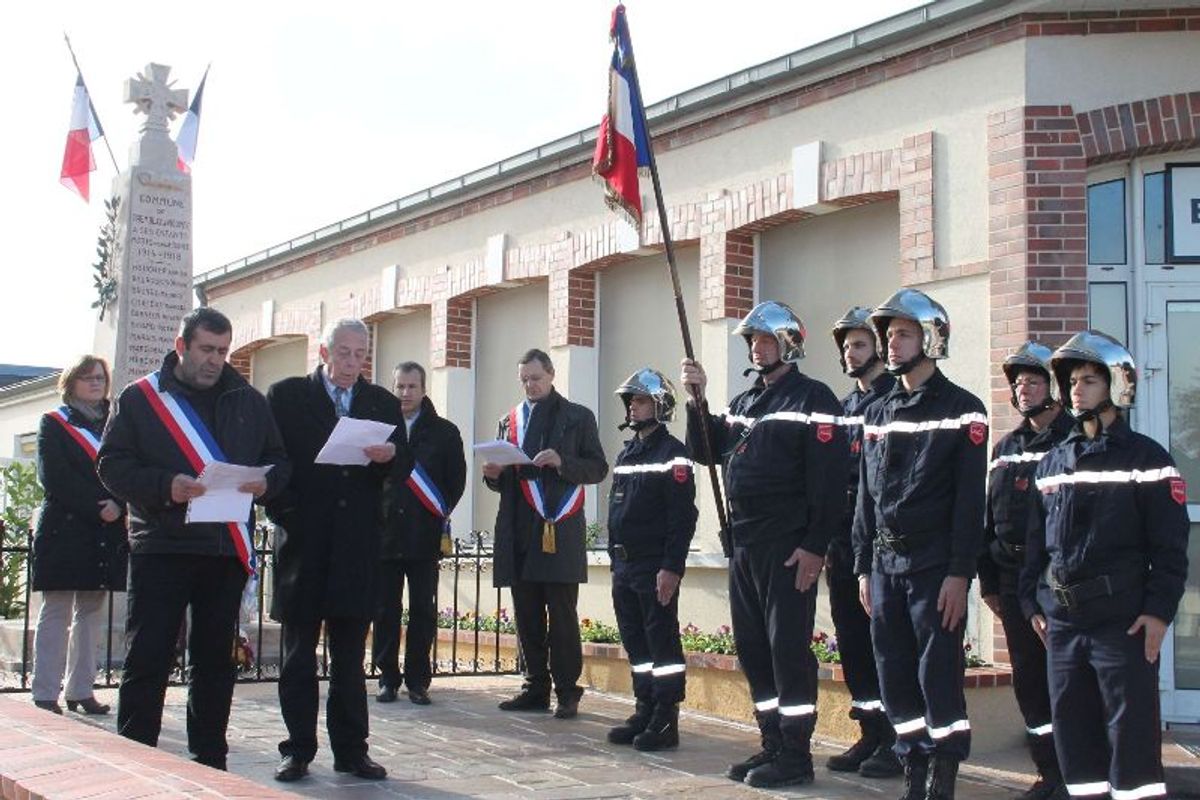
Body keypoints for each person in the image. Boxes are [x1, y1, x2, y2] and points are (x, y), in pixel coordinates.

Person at [97, 308, 290, 770]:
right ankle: (137, 758)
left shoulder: (248, 399)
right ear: (181, 346)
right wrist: (166, 485)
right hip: (162, 544)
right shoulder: (141, 398)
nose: (215, 360)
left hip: (222, 548)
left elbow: (279, 460)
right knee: (148, 658)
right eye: (206, 349)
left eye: (223, 351)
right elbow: (111, 465)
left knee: (214, 663)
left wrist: (268, 483)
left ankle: (209, 760)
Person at [681, 300, 847, 789]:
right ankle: (772, 742)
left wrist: (816, 545)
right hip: (745, 545)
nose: (757, 347)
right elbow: (703, 451)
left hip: (788, 546)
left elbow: (830, 481)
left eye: (765, 339)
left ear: (789, 342)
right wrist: (697, 400)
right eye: (752, 340)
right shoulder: (744, 404)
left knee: (786, 649)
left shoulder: (814, 399)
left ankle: (796, 755)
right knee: (754, 649)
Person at [1020, 330, 1189, 800]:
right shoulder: (1053, 462)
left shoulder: (1147, 460)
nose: (1077, 389)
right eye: (1072, 380)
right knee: (1075, 743)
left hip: (1123, 623)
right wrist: (1033, 601)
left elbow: (1171, 547)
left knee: (1131, 745)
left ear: (1116, 385)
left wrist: (1158, 612)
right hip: (1064, 626)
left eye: (1090, 380)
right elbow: (1037, 546)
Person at [853, 288, 987, 800]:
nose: (891, 343)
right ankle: (913, 769)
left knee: (938, 676)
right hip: (885, 568)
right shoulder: (877, 410)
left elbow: (969, 503)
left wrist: (960, 572)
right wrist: (864, 566)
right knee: (894, 675)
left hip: (935, 567)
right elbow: (865, 496)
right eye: (889, 335)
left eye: (903, 334)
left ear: (931, 338)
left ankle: (943, 775)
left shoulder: (963, 410)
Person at [267, 318, 405, 782]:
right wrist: (286, 511)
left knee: (349, 658)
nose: (352, 362)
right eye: (343, 353)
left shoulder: (381, 403)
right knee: (298, 655)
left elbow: (403, 466)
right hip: (304, 546)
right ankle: (297, 749)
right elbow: (272, 461)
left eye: (360, 354)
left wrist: (390, 460)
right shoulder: (287, 396)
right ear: (324, 354)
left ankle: (352, 750)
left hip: (355, 548)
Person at [483, 348, 607, 719]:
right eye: (524, 379)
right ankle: (534, 686)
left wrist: (562, 462)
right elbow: (504, 478)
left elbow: (598, 468)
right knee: (526, 612)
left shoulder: (577, 416)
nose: (530, 385)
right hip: (519, 527)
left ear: (551, 374)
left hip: (558, 524)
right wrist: (492, 477)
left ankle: (568, 690)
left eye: (536, 378)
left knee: (562, 613)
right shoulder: (509, 420)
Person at [978, 342, 1072, 800]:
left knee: (1067, 679)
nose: (1024, 389)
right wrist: (990, 583)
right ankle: (1048, 771)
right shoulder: (1005, 447)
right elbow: (988, 520)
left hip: (1059, 584)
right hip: (1012, 581)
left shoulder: (1074, 441)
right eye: (1018, 383)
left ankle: (1078, 771)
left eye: (1033, 381)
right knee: (1030, 682)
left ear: (1053, 388)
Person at [824, 308, 901, 778]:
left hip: (880, 543)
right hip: (841, 542)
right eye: (847, 346)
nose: (851, 353)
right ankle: (870, 731)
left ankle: (896, 739)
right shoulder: (842, 407)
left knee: (884, 643)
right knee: (852, 641)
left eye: (859, 344)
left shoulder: (895, 402)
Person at [604, 367, 697, 752]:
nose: (632, 408)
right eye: (631, 401)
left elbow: (682, 516)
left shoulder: (673, 454)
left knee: (661, 642)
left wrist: (671, 567)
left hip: (653, 565)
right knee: (636, 643)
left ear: (659, 405)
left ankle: (665, 717)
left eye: (640, 400)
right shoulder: (628, 452)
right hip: (624, 566)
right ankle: (644, 706)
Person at [30, 355, 127, 716]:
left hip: (105, 529)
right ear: (71, 383)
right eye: (88, 378)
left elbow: (127, 467)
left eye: (100, 377)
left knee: (90, 612)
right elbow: (54, 477)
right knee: (56, 611)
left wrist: (118, 503)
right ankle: (44, 691)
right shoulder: (53, 423)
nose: (96, 383)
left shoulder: (116, 423)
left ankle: (81, 688)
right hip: (66, 527)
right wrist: (96, 505)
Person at [372, 361, 466, 706]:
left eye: (412, 386)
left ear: (424, 389)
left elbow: (455, 482)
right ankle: (386, 677)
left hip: (424, 535)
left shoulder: (445, 432)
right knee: (385, 609)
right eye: (399, 386)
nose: (405, 393)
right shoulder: (379, 430)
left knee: (423, 611)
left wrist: (436, 513)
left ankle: (417, 680)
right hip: (385, 535)